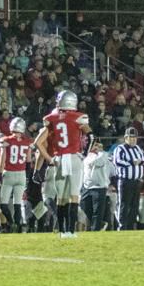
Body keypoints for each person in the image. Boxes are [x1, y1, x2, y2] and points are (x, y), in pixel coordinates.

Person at [35, 90, 92, 238]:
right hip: (74, 157)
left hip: (59, 159)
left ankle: (61, 231)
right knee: (74, 196)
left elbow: (38, 143)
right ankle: (71, 231)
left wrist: (49, 159)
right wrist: (85, 155)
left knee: (61, 198)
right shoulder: (78, 117)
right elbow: (91, 136)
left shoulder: (51, 118)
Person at [0, 118, 32, 233]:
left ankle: (10, 222)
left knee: (3, 204)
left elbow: (2, 160)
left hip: (9, 173)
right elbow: (28, 161)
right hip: (22, 174)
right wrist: (27, 176)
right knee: (17, 203)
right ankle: (17, 227)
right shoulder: (27, 141)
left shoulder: (6, 140)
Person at [111, 128, 144, 231]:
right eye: (131, 137)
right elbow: (117, 161)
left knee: (135, 205)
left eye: (135, 137)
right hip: (125, 180)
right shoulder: (120, 148)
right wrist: (131, 162)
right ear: (126, 138)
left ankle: (130, 226)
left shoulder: (138, 148)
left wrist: (139, 162)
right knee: (124, 204)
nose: (133, 140)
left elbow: (143, 158)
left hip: (137, 180)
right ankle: (122, 226)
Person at [80, 141, 111, 231]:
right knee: (85, 208)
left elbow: (98, 162)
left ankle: (96, 230)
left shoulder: (104, 155)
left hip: (99, 187)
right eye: (94, 145)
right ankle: (98, 225)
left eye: (97, 145)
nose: (95, 147)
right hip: (86, 187)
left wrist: (100, 151)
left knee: (97, 212)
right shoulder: (86, 156)